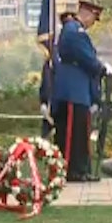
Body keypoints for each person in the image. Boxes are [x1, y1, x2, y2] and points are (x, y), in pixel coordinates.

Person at [52, 0, 112, 182]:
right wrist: (102, 68)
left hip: (79, 90)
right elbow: (87, 59)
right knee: (72, 133)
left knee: (80, 131)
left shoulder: (73, 30)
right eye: (94, 18)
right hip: (73, 89)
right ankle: (72, 170)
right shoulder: (75, 31)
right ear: (87, 13)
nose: (93, 23)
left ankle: (79, 169)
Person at [38, 9, 75, 139]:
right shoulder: (53, 52)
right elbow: (47, 76)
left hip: (70, 102)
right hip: (53, 101)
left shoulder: (75, 49)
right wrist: (44, 100)